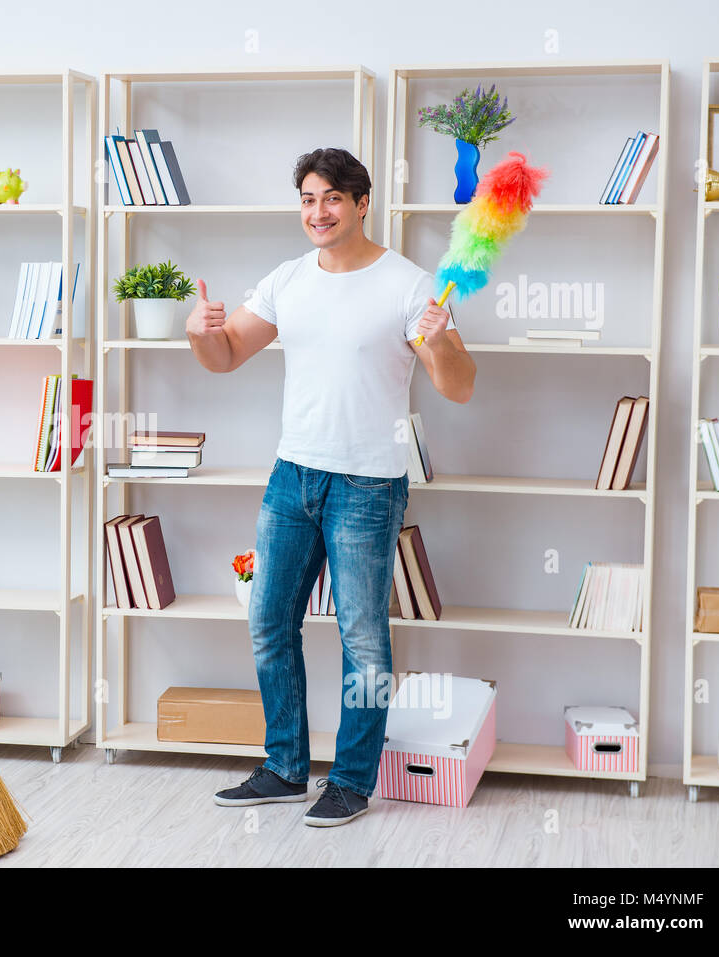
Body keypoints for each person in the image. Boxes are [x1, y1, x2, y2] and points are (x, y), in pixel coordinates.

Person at [187, 147, 476, 826]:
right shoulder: (288, 280)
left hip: (368, 483)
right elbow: (225, 355)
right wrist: (198, 332)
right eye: (308, 200)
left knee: (364, 637)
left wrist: (440, 341)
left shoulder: (409, 285)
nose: (318, 212)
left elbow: (459, 388)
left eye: (332, 199)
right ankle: (284, 767)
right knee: (268, 620)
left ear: (362, 204)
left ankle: (349, 780)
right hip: (292, 474)